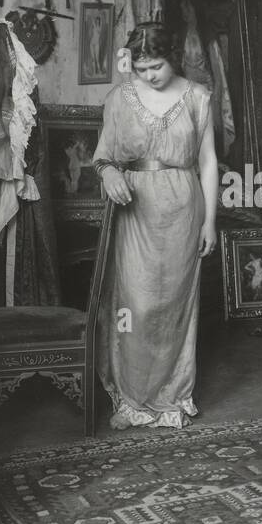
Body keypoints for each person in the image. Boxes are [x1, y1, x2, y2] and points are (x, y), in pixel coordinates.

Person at [93, 22, 219, 430]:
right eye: (142, 67)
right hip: (135, 211)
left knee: (174, 306)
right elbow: (103, 155)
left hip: (183, 209)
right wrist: (109, 173)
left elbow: (208, 163)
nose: (149, 75)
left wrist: (210, 222)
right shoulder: (119, 98)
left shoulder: (198, 97)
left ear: (173, 57)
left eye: (157, 66)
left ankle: (170, 397)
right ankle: (132, 399)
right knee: (137, 304)